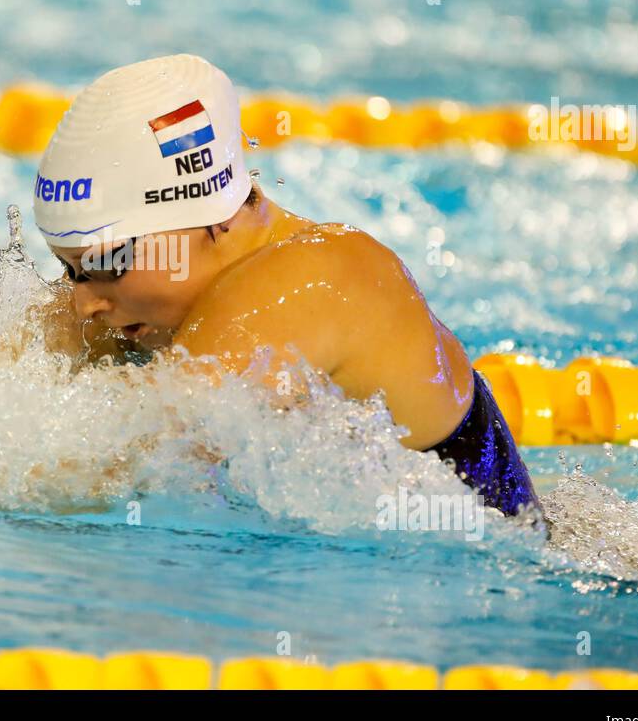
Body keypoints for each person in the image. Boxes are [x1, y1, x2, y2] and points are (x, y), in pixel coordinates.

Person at [28, 54, 540, 518]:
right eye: (70, 268)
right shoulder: (125, 306)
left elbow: (107, 480)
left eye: (110, 262)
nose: (84, 301)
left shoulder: (317, 276)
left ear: (211, 217)